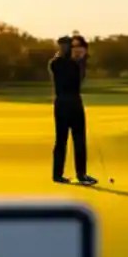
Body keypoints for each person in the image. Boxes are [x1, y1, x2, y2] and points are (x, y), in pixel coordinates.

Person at [49, 35, 97, 185]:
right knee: (61, 140)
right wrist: (76, 58)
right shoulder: (56, 63)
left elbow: (78, 77)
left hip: (75, 102)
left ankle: (81, 174)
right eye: (67, 46)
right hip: (63, 102)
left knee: (79, 140)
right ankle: (57, 175)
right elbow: (62, 66)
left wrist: (80, 58)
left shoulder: (76, 64)